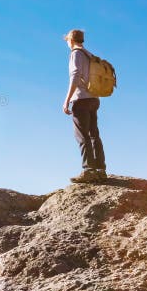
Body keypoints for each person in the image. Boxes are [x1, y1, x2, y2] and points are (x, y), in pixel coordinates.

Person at [62, 29, 107, 183]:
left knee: (82, 135)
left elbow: (75, 76)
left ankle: (89, 170)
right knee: (94, 134)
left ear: (71, 40)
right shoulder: (89, 55)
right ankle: (101, 170)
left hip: (81, 99)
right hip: (94, 99)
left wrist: (67, 99)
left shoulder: (76, 53)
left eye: (67, 40)